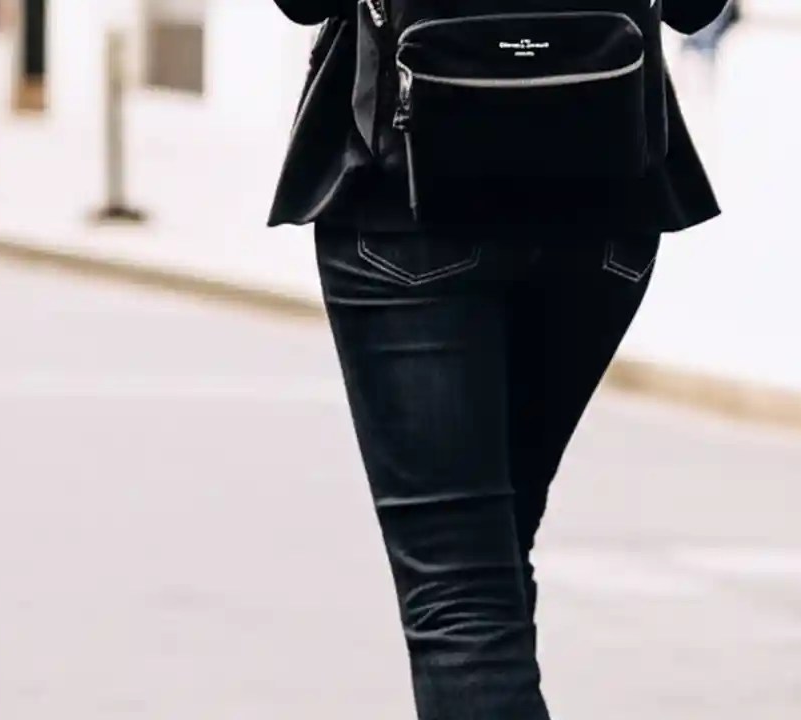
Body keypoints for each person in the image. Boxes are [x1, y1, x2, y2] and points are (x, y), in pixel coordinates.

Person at [268, 1, 727, 717]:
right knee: (492, 565)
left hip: (410, 206)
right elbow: (697, 11)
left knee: (463, 595)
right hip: (601, 196)